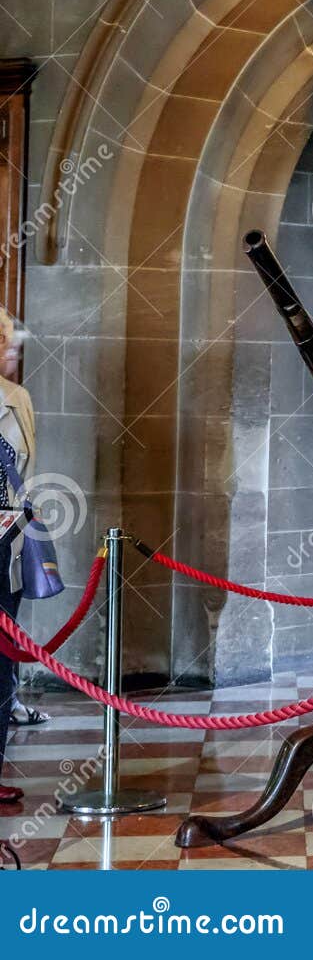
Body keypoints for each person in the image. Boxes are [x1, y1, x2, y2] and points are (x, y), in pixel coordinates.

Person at [0, 307, 40, 805]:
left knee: (2, 663)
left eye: (10, 339)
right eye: (2, 340)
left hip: (4, 546)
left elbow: (26, 477)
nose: (12, 348)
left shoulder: (18, 399)